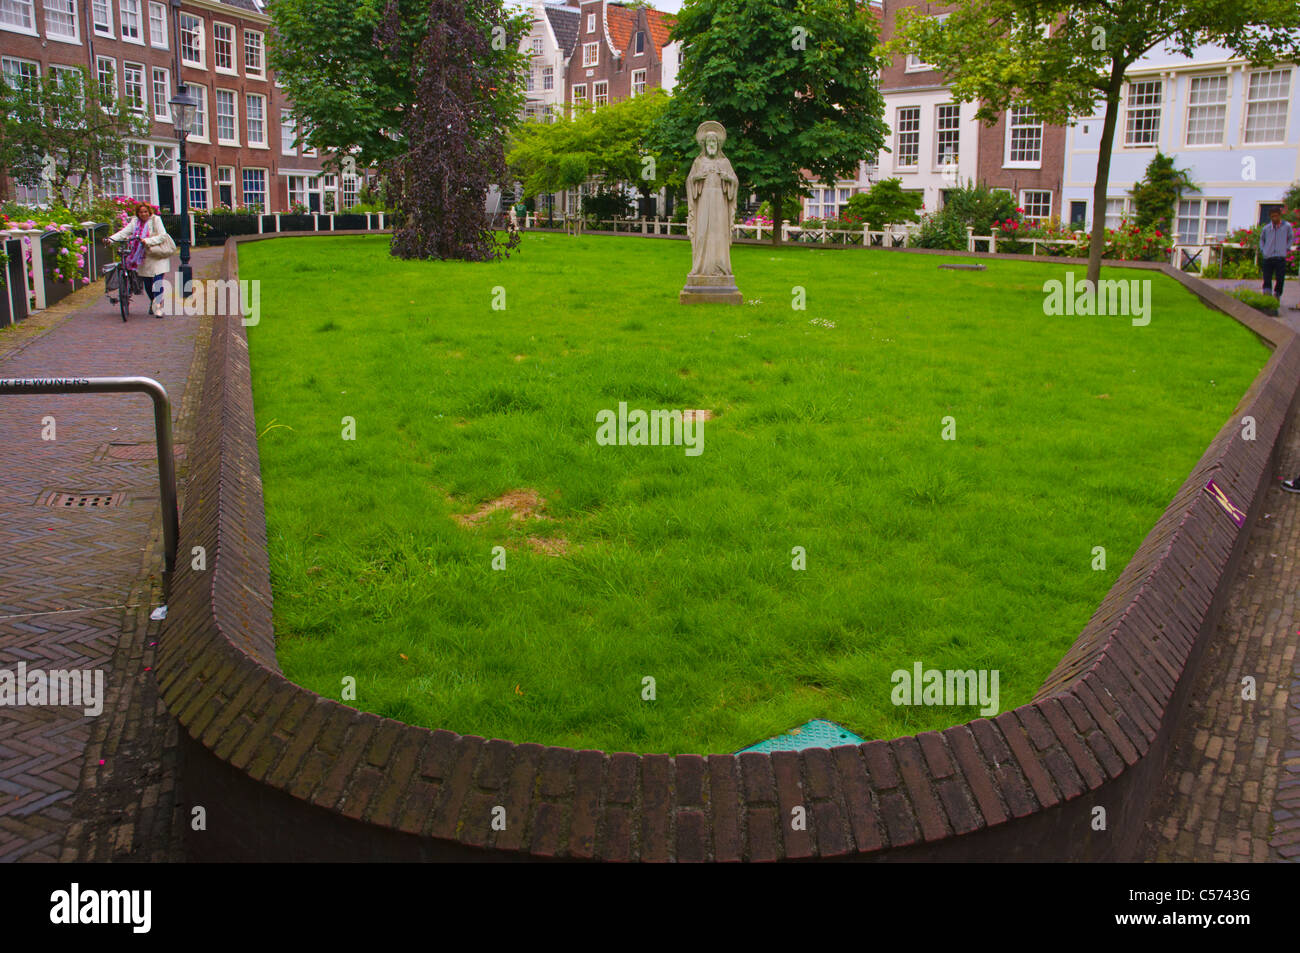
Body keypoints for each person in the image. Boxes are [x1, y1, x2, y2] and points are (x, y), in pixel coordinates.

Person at [109, 203, 174, 318]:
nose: (143, 214)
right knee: (148, 284)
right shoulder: (135, 222)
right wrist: (111, 239)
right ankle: (154, 301)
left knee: (157, 281)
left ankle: (158, 306)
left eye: (145, 212)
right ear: (137, 213)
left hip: (157, 255)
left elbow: (163, 235)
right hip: (143, 257)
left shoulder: (156, 220)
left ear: (149, 212)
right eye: (141, 212)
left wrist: (147, 241)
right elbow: (123, 233)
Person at [1260, 207, 1295, 302]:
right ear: (1270, 217)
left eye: (1276, 216)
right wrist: (1263, 250)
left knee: (1280, 278)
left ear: (1280, 215)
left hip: (1280, 257)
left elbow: (1291, 238)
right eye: (1272, 217)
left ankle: (1277, 294)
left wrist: (1286, 248)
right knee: (1267, 278)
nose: (1274, 218)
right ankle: (1267, 296)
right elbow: (1262, 240)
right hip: (1268, 257)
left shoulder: (1287, 226)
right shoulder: (1266, 228)